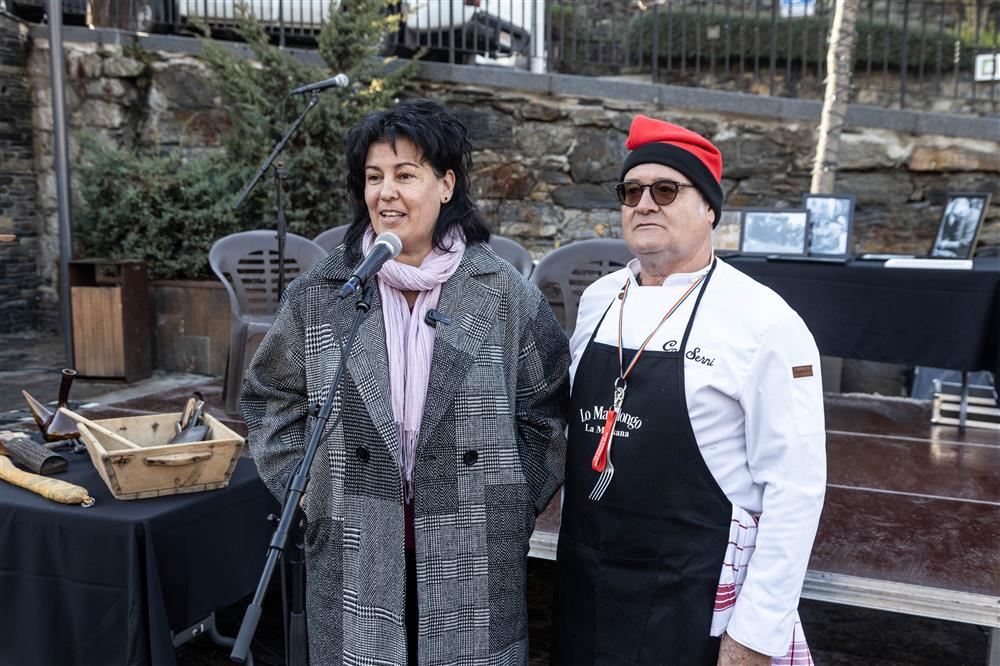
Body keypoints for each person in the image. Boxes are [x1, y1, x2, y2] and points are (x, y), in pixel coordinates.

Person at [242, 98, 569, 665]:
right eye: (373, 177)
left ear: (446, 185)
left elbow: (548, 411)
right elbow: (270, 399)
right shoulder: (325, 293)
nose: (385, 192)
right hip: (356, 543)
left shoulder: (504, 292)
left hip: (474, 547)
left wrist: (510, 502)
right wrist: (317, 491)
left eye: (404, 174)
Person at [552, 115, 826, 666]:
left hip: (688, 597)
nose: (644, 203)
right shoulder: (601, 299)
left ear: (709, 209)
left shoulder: (766, 322)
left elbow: (795, 489)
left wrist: (754, 635)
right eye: (631, 191)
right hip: (587, 578)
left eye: (666, 189)